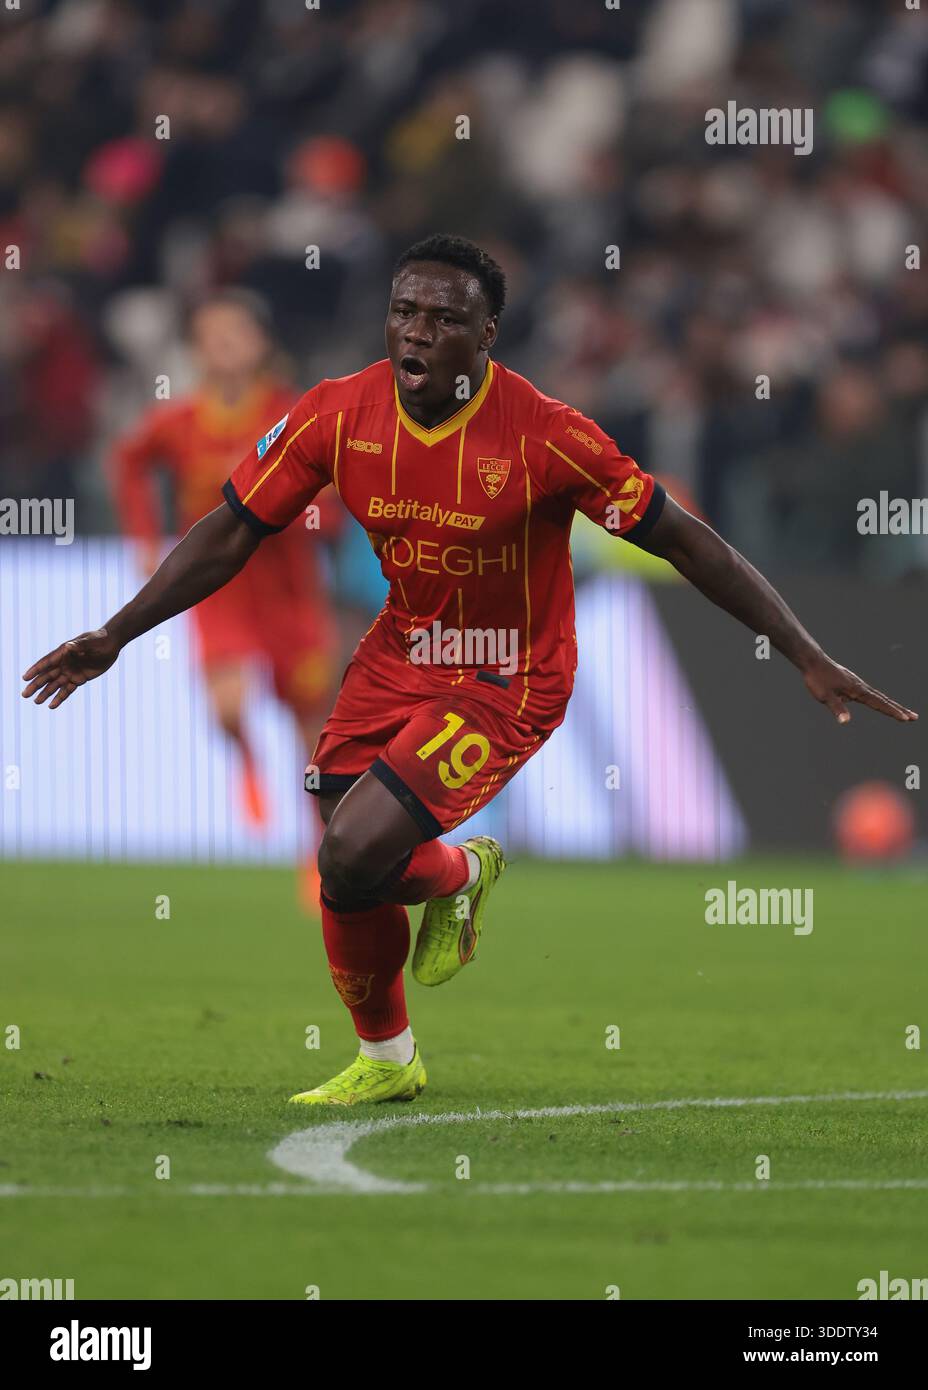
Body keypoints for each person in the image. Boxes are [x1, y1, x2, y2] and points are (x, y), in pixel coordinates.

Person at [22, 235, 917, 1106]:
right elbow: (230, 531)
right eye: (402, 312)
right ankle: (402, 1025)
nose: (416, 332)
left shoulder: (549, 436)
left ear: (486, 334)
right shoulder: (336, 412)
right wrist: (117, 632)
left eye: (442, 319)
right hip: (398, 652)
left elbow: (685, 540)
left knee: (349, 849)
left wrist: (805, 652)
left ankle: (443, 897)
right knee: (350, 872)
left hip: (508, 673)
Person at [111, 289, 337, 898]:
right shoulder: (179, 420)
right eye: (210, 335)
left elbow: (335, 491)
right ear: (195, 349)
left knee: (313, 735)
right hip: (220, 586)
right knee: (229, 705)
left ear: (260, 343)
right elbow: (127, 460)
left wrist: (315, 514)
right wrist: (143, 537)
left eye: (234, 333)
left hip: (288, 589)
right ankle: (245, 762)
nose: (223, 345)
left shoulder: (292, 415)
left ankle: (316, 855)